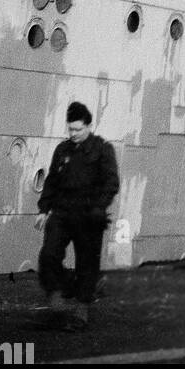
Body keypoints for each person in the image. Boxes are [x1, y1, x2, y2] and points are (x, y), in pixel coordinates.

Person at [36, 102, 120, 327]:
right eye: (70, 129)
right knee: (49, 255)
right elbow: (52, 181)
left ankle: (81, 310)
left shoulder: (102, 150)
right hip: (62, 212)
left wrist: (99, 207)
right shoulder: (62, 150)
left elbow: (112, 183)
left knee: (87, 263)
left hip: (89, 214)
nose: (73, 134)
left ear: (89, 126)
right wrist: (44, 210)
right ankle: (58, 292)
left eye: (78, 129)